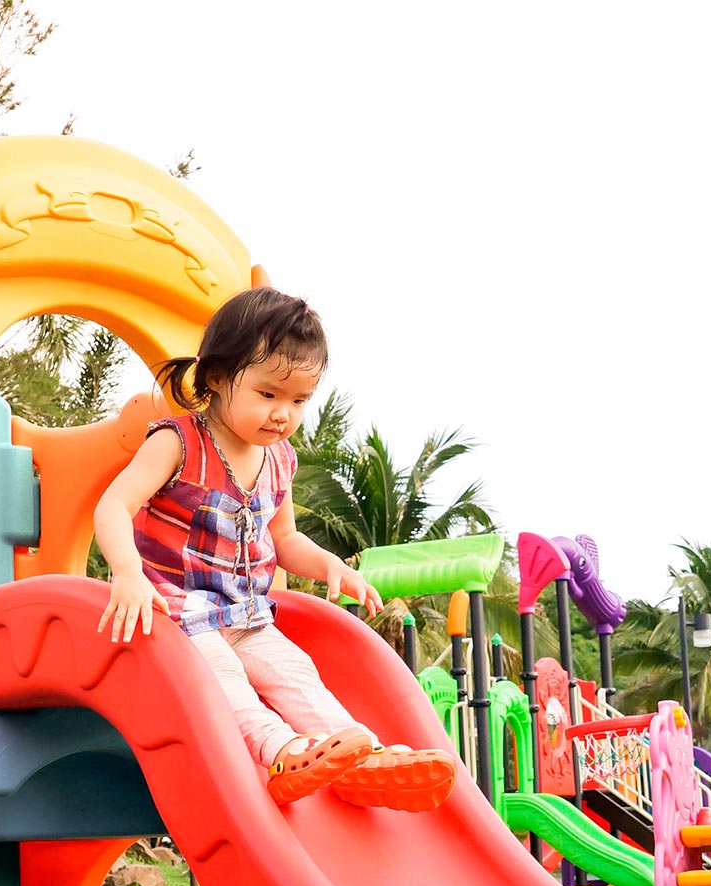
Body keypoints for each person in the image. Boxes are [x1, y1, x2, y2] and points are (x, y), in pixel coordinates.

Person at [92, 287, 457, 810]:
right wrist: (127, 573)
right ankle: (281, 751)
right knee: (221, 674)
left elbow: (284, 539)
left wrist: (332, 564)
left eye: (299, 400)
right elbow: (112, 506)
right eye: (268, 394)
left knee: (294, 671)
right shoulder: (178, 443)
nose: (282, 414)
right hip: (174, 612)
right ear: (216, 378)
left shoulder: (279, 459)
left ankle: (361, 756)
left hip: (244, 612)